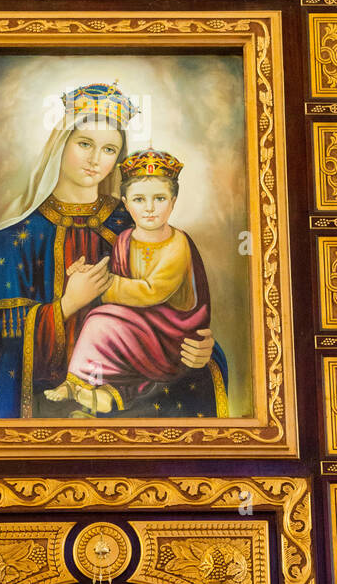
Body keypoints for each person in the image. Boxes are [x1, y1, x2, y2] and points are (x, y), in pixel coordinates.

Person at [0, 84, 225, 418]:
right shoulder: (15, 239)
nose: (95, 159)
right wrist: (69, 304)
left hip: (137, 391)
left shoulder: (136, 227)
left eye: (109, 149)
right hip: (44, 400)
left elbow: (171, 312)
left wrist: (200, 348)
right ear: (61, 145)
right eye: (84, 143)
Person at [44, 149, 226, 416]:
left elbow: (151, 292)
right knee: (102, 319)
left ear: (173, 202)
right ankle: (92, 394)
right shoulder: (124, 239)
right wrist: (88, 273)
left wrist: (102, 283)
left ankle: (79, 385)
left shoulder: (178, 244)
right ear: (127, 204)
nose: (150, 208)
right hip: (138, 326)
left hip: (171, 334)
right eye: (140, 200)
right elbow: (120, 285)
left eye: (160, 199)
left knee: (100, 319)